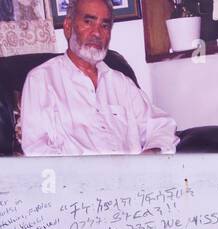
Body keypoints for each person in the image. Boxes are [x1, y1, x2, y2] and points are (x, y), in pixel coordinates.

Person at [20, 0, 178, 156]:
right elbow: (36, 149)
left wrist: (151, 153)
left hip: (133, 177)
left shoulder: (121, 83)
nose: (97, 33)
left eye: (105, 25)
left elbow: (161, 126)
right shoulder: (41, 80)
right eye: (88, 22)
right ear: (68, 26)